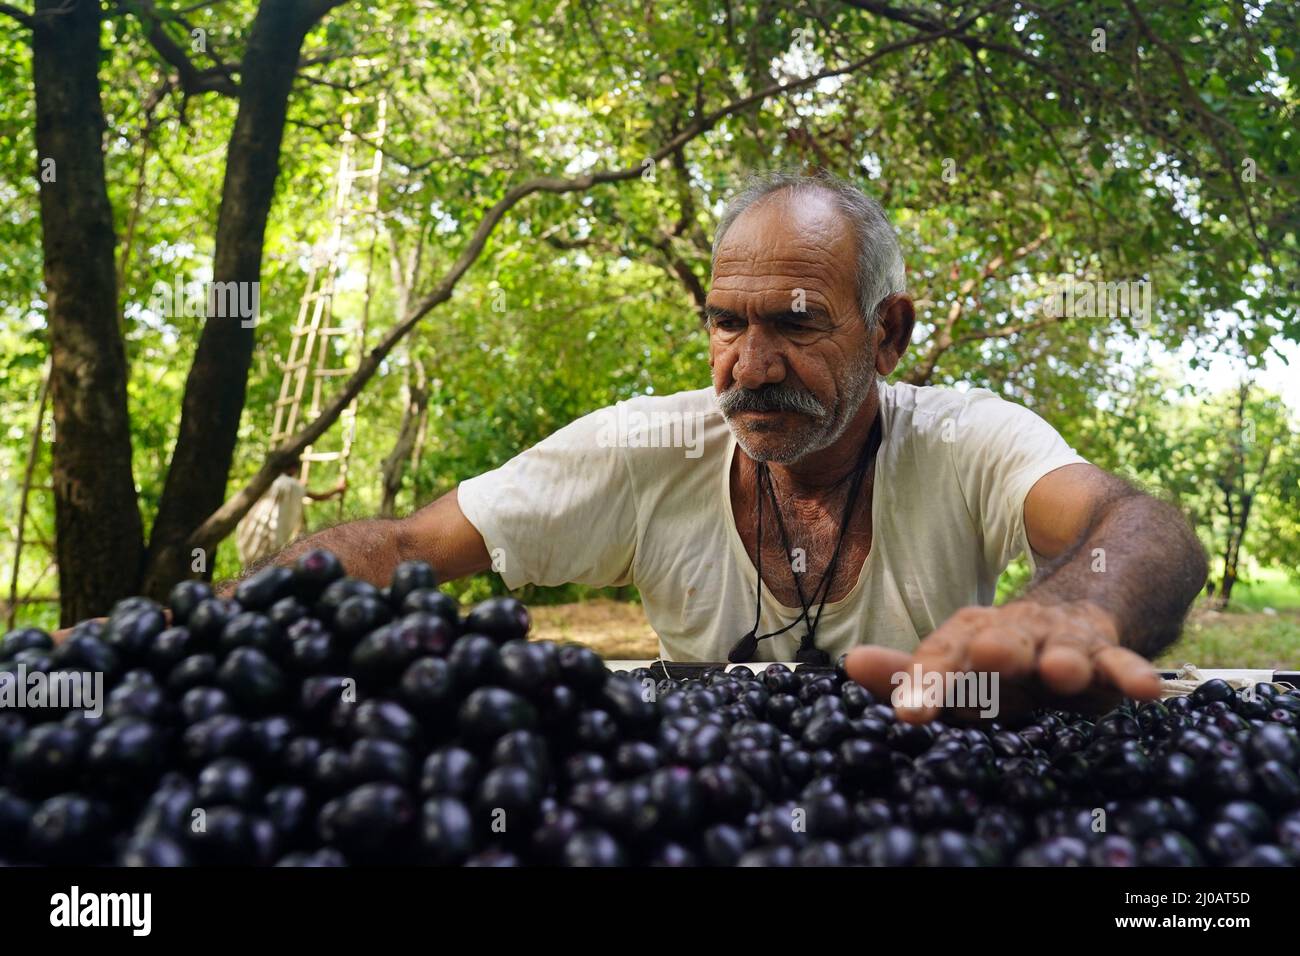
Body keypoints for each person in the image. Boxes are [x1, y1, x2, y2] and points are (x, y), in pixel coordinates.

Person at [255, 171, 1207, 722]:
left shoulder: (967, 440)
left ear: (888, 334)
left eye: (796, 324)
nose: (750, 366)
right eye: (725, 324)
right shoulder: (646, 448)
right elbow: (407, 548)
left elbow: (1133, 525)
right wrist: (234, 617)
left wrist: (1084, 608)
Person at [234, 458, 346, 566]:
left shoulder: (268, 480)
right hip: (275, 532)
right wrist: (337, 489)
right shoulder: (293, 485)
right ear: (293, 469)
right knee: (268, 559)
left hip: (256, 528)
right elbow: (319, 497)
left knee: (255, 561)